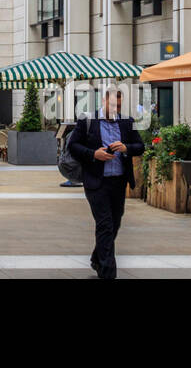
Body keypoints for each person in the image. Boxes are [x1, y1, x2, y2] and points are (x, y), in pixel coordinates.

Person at [67, 90, 144, 280]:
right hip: (96, 182)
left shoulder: (127, 122)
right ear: (103, 101)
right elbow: (73, 146)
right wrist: (94, 154)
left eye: (118, 106)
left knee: (115, 223)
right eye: (111, 105)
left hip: (118, 181)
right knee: (105, 225)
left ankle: (96, 257)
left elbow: (140, 146)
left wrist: (127, 148)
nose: (115, 109)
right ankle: (108, 273)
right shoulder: (87, 121)